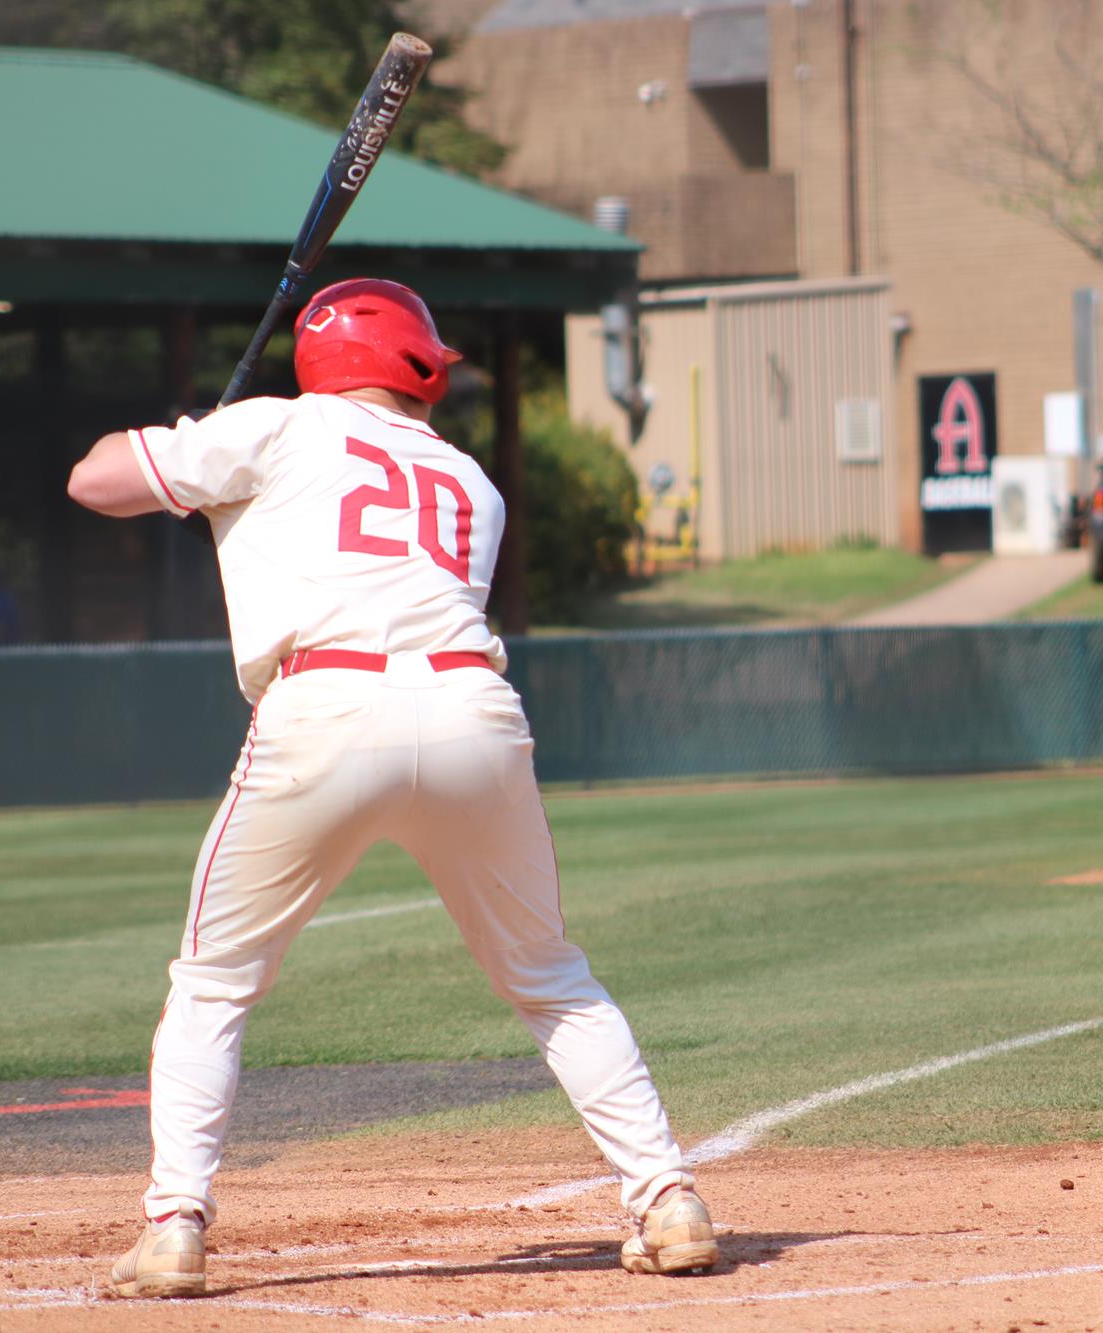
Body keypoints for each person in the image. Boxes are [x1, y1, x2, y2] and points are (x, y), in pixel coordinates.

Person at [65, 278, 718, 1298]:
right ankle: (668, 1195)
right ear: (414, 366)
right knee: (551, 978)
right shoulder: (471, 480)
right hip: (471, 711)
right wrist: (216, 466)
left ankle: (175, 1224)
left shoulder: (274, 425)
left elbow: (94, 479)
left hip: (323, 709)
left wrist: (193, 442)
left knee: (214, 982)